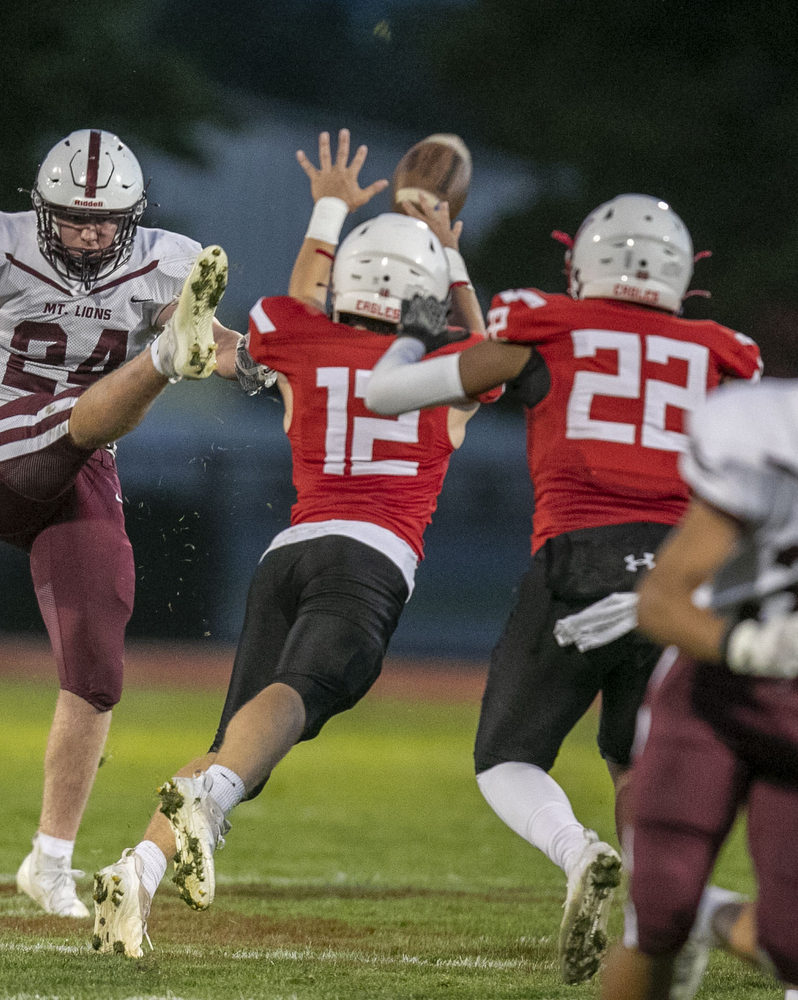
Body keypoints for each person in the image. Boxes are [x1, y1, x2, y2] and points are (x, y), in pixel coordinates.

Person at [89, 129, 489, 957]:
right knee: (297, 701)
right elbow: (488, 349)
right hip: (371, 557)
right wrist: (447, 247)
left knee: (240, 748)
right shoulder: (447, 363)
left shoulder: (298, 335)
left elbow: (306, 291)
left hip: (291, 551)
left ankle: (135, 874)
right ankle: (209, 802)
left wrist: (333, 203)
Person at [364, 194, 763, 984]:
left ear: (585, 264)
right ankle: (662, 924)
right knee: (632, 759)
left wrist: (414, 328)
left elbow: (386, 396)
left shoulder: (548, 330)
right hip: (686, 581)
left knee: (505, 758)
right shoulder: (722, 355)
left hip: (581, 562)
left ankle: (581, 852)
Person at [0, 128, 253, 918]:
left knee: (96, 670)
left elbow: (221, 350)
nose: (88, 232)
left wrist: (262, 366)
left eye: (104, 220)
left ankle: (49, 862)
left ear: (134, 215)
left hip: (84, 463)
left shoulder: (162, 263)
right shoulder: (0, 252)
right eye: (72, 218)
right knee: (84, 417)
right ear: (41, 211)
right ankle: (157, 362)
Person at [599, 378, 798, 1000]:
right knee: (658, 907)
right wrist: (750, 646)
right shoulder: (771, 434)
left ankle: (713, 918)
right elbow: (660, 601)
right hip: (715, 695)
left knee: (794, 946)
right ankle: (684, 921)